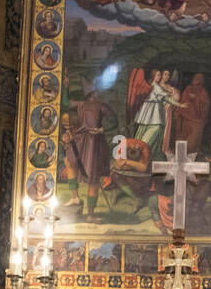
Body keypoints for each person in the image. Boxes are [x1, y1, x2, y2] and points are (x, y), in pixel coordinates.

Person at [68, 89, 117, 222]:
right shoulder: (81, 104)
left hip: (95, 143)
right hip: (80, 141)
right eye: (94, 93)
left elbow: (114, 122)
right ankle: (75, 196)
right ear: (91, 94)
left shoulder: (101, 106)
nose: (95, 96)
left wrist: (101, 129)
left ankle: (90, 214)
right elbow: (64, 103)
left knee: (94, 178)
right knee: (70, 163)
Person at [128, 68, 184, 161]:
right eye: (158, 75)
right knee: (154, 132)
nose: (160, 77)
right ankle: (144, 155)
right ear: (153, 76)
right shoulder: (155, 87)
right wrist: (179, 104)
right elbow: (167, 99)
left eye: (160, 75)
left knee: (151, 133)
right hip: (153, 114)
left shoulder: (153, 86)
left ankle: (146, 155)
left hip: (152, 113)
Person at [175, 73, 210, 149]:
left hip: (197, 119)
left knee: (194, 138)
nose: (194, 81)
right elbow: (184, 100)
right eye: (194, 79)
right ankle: (182, 152)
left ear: (201, 81)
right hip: (187, 117)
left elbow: (205, 105)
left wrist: (195, 98)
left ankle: (191, 152)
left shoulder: (203, 92)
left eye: (197, 80)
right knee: (184, 135)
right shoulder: (188, 89)